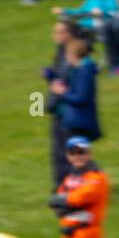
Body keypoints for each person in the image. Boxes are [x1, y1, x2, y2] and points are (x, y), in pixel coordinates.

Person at [49, 137, 110, 238]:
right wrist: (67, 202)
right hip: (69, 236)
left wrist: (67, 201)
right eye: (73, 152)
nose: (78, 156)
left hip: (86, 236)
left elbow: (81, 197)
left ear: (89, 153)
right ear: (68, 155)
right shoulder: (70, 177)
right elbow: (56, 203)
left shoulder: (97, 178)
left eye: (81, 152)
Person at [44, 19, 83, 186]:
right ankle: (61, 185)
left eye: (59, 32)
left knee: (70, 151)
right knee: (58, 151)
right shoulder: (61, 51)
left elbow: (70, 82)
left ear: (69, 34)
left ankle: (73, 183)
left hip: (69, 110)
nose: (55, 36)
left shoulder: (74, 55)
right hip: (60, 108)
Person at [53, 38, 102, 150]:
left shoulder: (83, 72)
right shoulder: (80, 70)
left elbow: (80, 98)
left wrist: (63, 92)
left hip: (79, 123)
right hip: (78, 121)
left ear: (72, 54)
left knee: (77, 158)